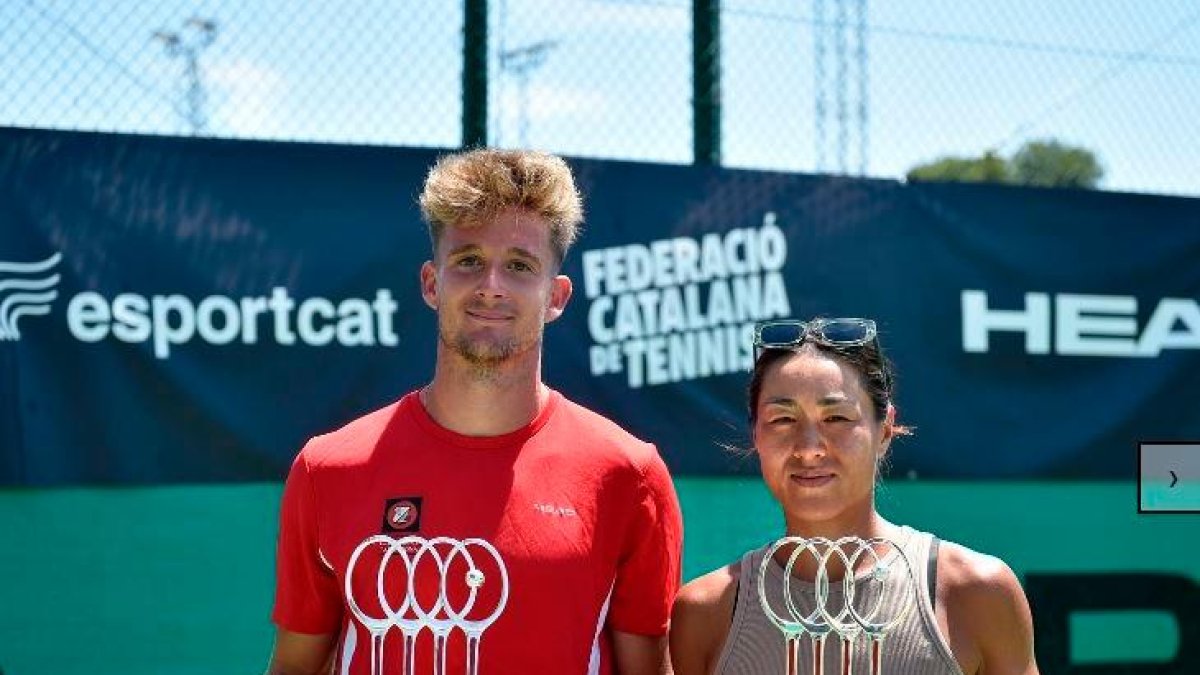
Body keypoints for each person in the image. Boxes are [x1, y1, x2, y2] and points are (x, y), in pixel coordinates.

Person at [267, 149, 683, 675]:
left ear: (556, 297)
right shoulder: (326, 469)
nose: (491, 285)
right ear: (431, 283)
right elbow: (294, 666)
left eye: (519, 265)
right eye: (468, 261)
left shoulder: (629, 475)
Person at [669, 318, 1038, 675]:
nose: (809, 448)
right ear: (756, 435)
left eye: (837, 418)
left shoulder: (976, 591)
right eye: (782, 420)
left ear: (885, 429)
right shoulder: (704, 613)